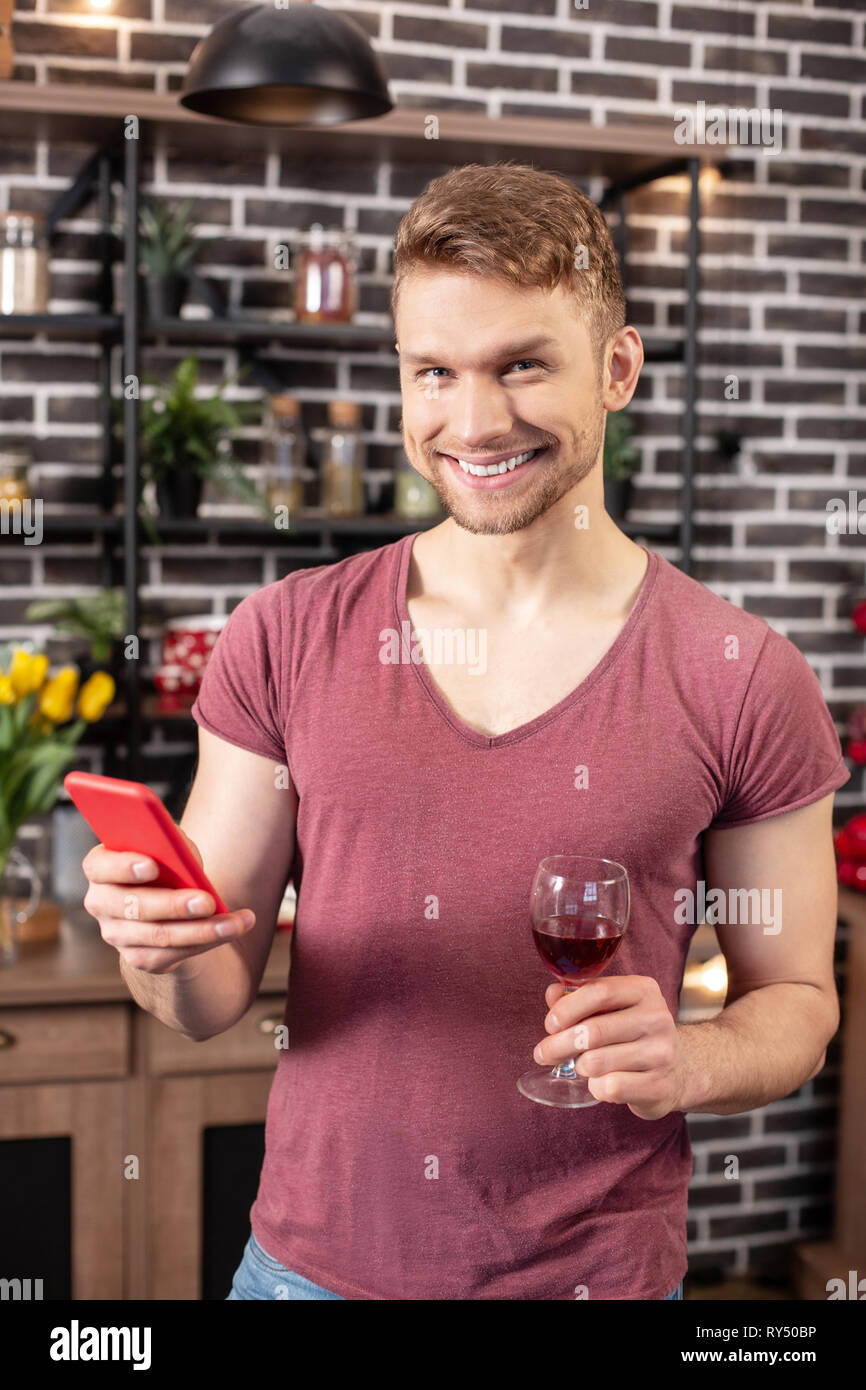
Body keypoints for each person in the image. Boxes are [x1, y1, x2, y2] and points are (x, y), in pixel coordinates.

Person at [82, 164, 849, 1301]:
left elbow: (795, 1004)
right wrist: (158, 951)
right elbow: (206, 1001)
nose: (475, 421)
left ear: (616, 369)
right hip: (307, 1275)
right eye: (433, 372)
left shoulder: (741, 674)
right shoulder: (284, 636)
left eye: (523, 364)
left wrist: (688, 1058)